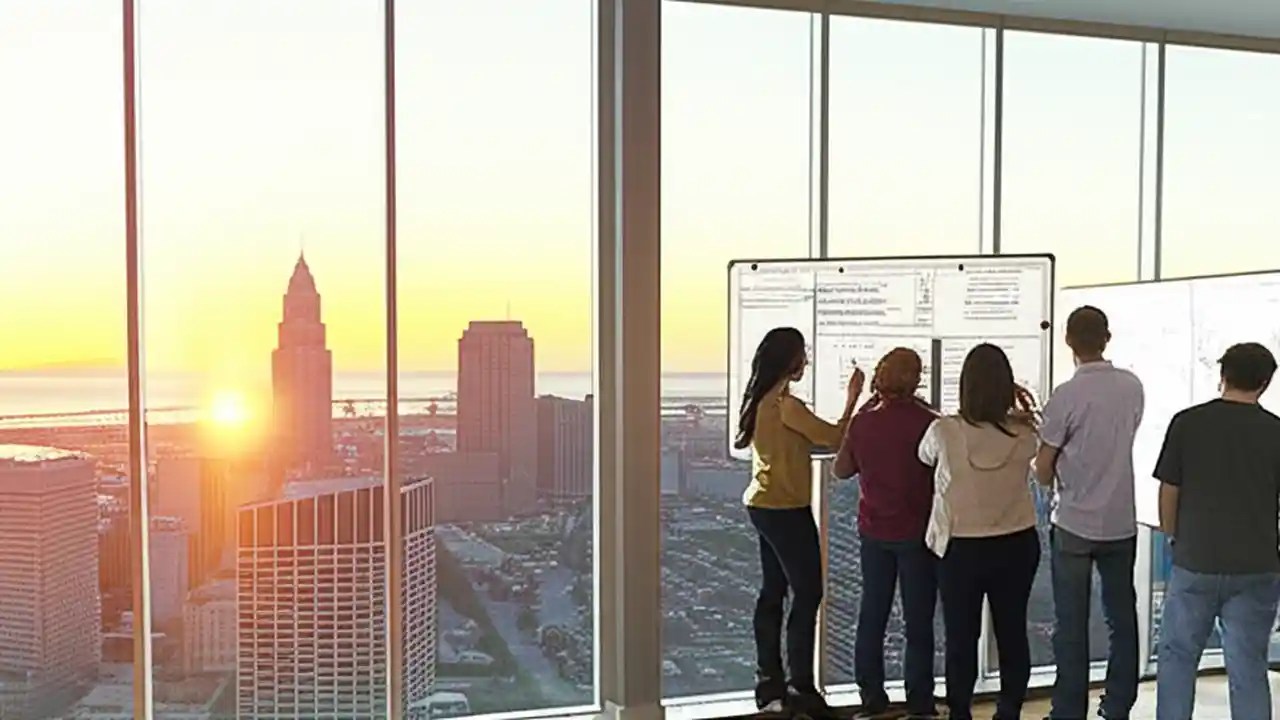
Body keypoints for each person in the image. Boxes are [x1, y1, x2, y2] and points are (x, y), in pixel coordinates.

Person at [737, 327, 864, 715]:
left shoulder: (762, 400)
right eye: (802, 355)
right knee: (808, 593)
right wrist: (853, 397)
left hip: (763, 503)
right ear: (789, 360)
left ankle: (770, 684)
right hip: (785, 508)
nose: (806, 361)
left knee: (773, 591)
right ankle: (801, 688)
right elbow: (835, 438)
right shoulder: (787, 405)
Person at [1154, 342, 1280, 720]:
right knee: (1248, 667)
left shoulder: (1187, 422)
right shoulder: (1276, 432)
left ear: (1222, 374)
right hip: (1257, 565)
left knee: (1178, 660)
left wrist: (1174, 537)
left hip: (1196, 560)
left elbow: (1169, 490)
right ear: (1266, 383)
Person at [1032, 306, 1144, 720]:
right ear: (1107, 337)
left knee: (1071, 625)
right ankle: (1117, 706)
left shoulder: (1066, 396)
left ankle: (1067, 712)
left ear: (1067, 341)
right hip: (1120, 520)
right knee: (1122, 618)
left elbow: (1043, 472)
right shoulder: (1132, 387)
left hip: (1075, 523)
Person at [918, 343, 1040, 720]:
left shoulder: (943, 430)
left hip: (960, 548)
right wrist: (1023, 407)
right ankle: (1009, 711)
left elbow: (924, 457)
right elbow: (1039, 433)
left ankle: (960, 712)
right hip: (1017, 542)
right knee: (1012, 633)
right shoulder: (1024, 435)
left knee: (960, 637)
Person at [832, 348, 939, 720]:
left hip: (874, 531)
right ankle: (921, 705)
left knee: (872, 615)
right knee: (918, 621)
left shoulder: (863, 423)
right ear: (917, 379)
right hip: (917, 532)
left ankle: (872, 701)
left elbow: (841, 470)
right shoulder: (930, 422)